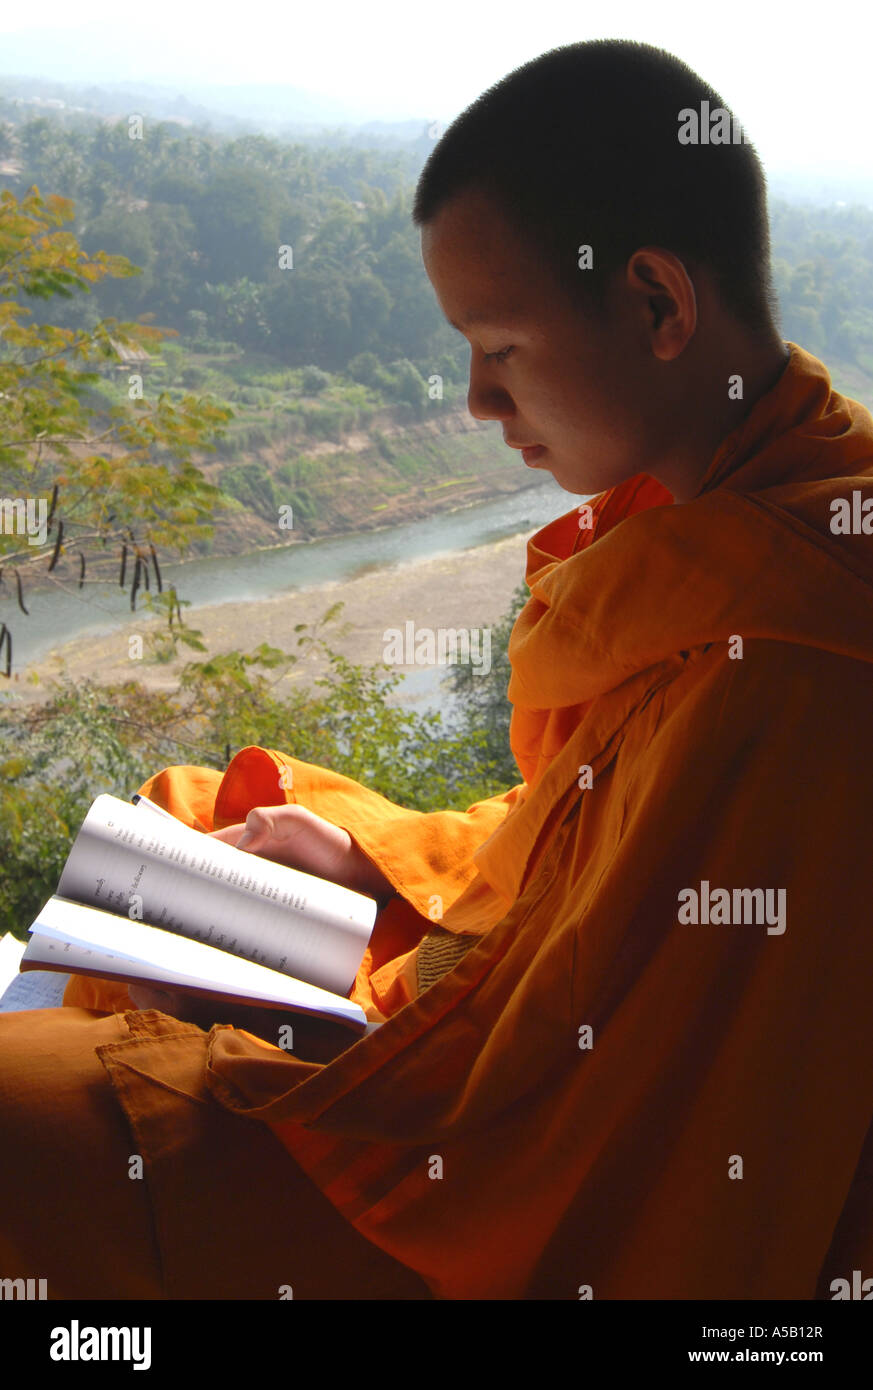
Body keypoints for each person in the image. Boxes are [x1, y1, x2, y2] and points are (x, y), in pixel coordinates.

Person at [2, 37, 873, 1300]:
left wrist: (282, 1040)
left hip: (510, 1170)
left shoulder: (792, 661)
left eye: (502, 346)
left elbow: (613, 1121)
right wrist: (370, 860)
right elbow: (583, 829)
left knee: (21, 1123)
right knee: (202, 821)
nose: (472, 399)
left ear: (656, 305)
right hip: (505, 993)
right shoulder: (753, 490)